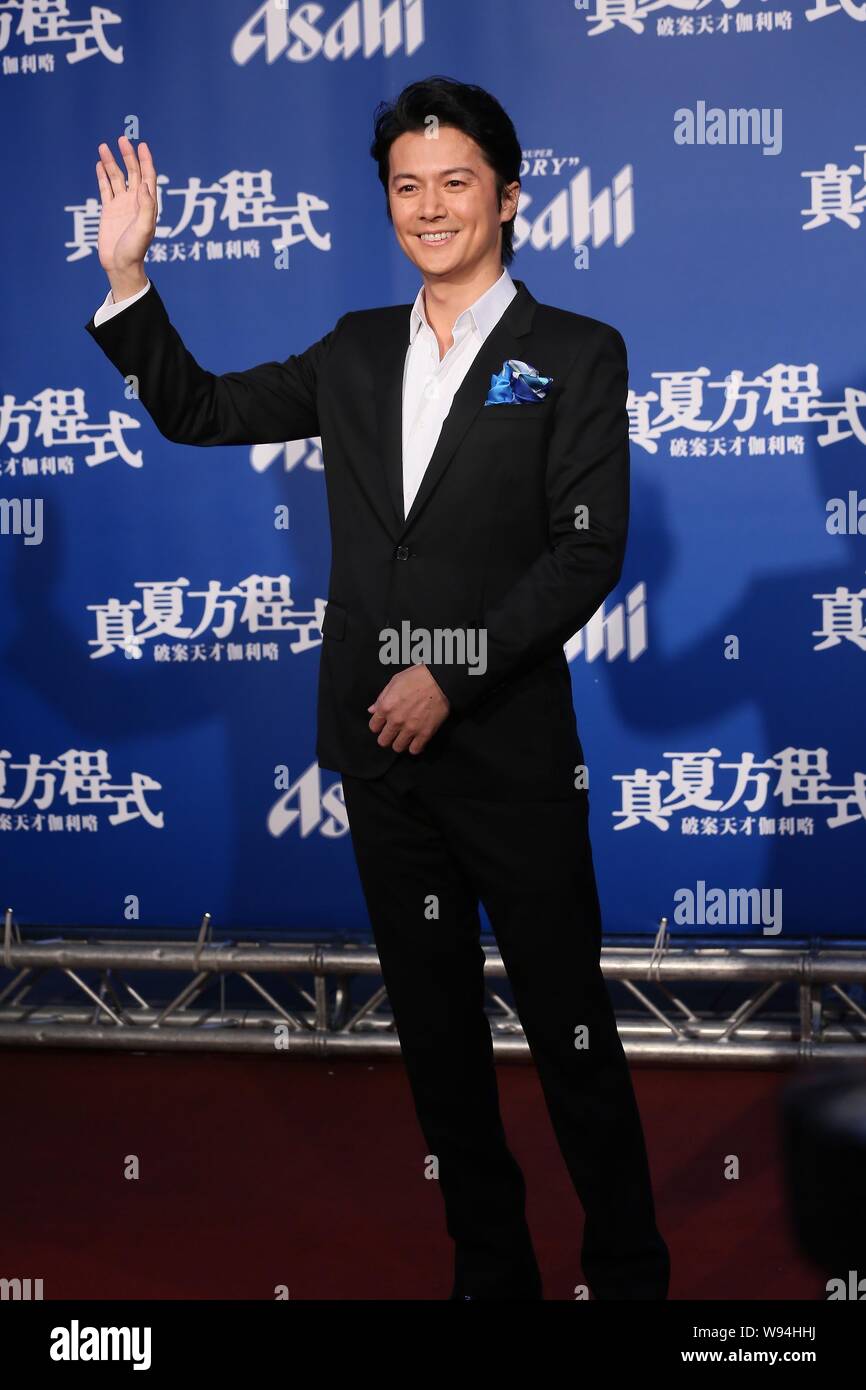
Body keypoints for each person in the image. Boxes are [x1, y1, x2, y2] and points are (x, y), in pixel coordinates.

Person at [86, 76, 670, 1301]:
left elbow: (584, 551)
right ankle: (490, 1270)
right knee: (439, 1039)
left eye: (455, 182)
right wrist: (132, 279)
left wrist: (447, 674)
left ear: (507, 197)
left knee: (569, 1031)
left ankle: (625, 1272)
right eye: (406, 187)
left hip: (507, 749)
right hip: (381, 759)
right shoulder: (354, 350)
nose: (429, 206)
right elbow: (197, 410)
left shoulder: (572, 354)